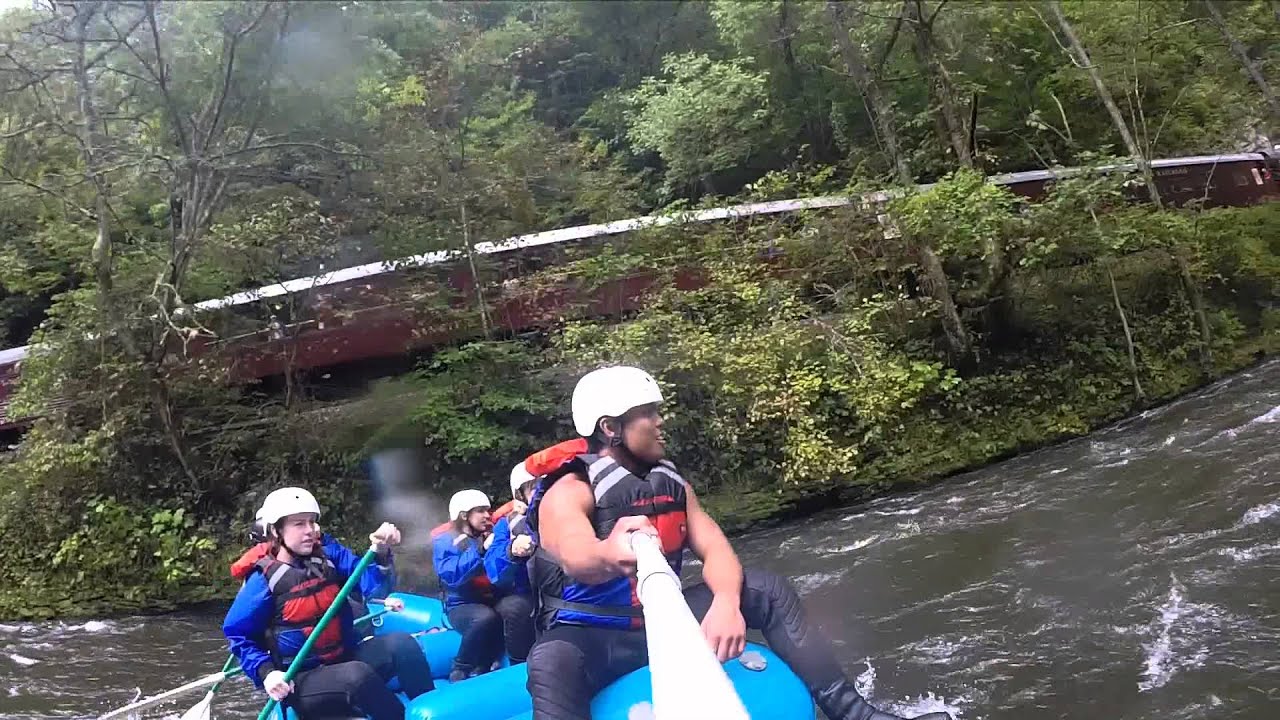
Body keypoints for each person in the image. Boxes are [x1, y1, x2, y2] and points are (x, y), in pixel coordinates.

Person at [523, 366, 952, 720]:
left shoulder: (670, 483)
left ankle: (856, 714)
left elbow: (715, 547)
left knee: (766, 589)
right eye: (648, 414)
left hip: (666, 621)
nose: (660, 421)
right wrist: (607, 552)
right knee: (549, 661)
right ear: (610, 428)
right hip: (597, 634)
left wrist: (727, 603)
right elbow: (575, 552)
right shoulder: (569, 489)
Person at [223, 487, 434, 720]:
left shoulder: (329, 556)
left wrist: (382, 553)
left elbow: (375, 589)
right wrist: (267, 673)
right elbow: (238, 634)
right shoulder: (263, 580)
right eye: (299, 524)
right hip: (300, 681)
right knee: (356, 675)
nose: (310, 530)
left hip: (343, 657)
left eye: (312, 522)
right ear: (276, 530)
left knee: (402, 644)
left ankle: (433, 712)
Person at [432, 488, 535, 681]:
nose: (487, 515)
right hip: (461, 605)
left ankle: (517, 665)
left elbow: (503, 516)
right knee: (484, 617)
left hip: (491, 599)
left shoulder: (488, 533)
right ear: (464, 515)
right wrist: (480, 550)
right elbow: (451, 575)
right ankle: (461, 667)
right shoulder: (445, 541)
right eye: (480, 511)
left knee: (517, 606)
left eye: (487, 510)